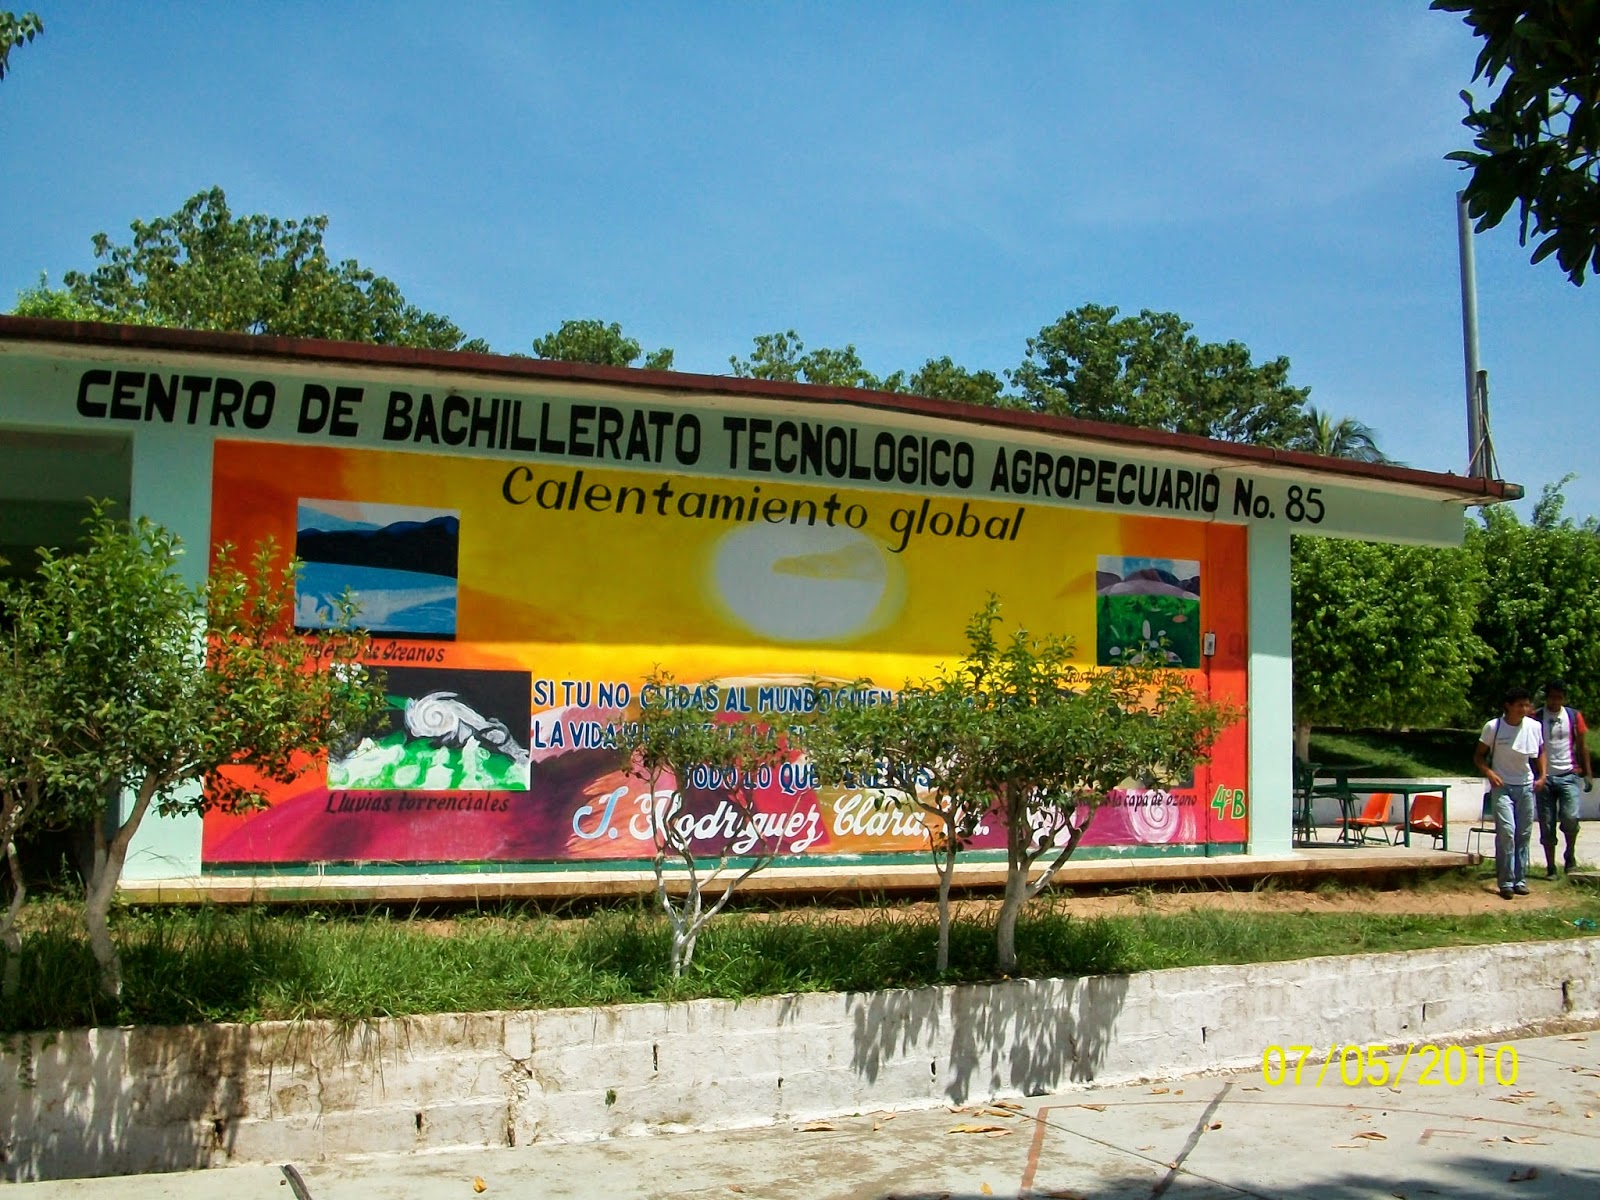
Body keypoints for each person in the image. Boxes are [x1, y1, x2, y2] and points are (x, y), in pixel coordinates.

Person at [1474, 687, 1546, 900]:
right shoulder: (1493, 727)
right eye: (1519, 705)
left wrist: (1542, 775)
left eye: (1527, 704)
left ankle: (1520, 880)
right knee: (1507, 832)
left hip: (1525, 785)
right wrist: (1489, 773)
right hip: (1502, 786)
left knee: (1523, 834)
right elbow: (1479, 756)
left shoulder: (1534, 726)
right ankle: (1505, 882)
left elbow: (1540, 752)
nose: (1524, 709)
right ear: (1508, 706)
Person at [1538, 680, 1592, 877]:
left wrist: (1588, 773)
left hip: (1568, 775)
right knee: (1547, 823)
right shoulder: (1536, 717)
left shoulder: (1573, 716)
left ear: (1564, 698)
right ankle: (1550, 866)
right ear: (1546, 698)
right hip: (1544, 778)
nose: (1555, 701)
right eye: (1552, 697)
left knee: (1570, 817)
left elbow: (1583, 745)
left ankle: (1570, 855)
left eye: (1559, 697)